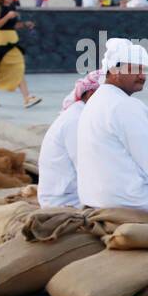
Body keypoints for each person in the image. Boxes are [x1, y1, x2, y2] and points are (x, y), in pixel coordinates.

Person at [75, 39, 148, 213]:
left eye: (143, 70)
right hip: (132, 200)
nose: (142, 76)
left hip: (98, 198)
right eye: (133, 69)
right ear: (114, 71)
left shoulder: (98, 100)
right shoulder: (124, 105)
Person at [37, 70, 102, 208]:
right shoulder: (76, 120)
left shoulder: (85, 115)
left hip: (76, 195)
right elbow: (88, 169)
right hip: (66, 202)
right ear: (91, 95)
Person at [0, 0, 41, 109]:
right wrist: (8, 16)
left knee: (19, 67)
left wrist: (25, 24)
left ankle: (27, 98)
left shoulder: (12, 7)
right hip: (0, 41)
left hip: (12, 41)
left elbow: (13, 25)